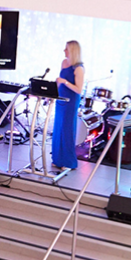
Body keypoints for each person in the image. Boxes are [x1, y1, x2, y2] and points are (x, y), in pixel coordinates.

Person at [52, 40, 85, 171]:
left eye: (66, 49)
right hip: (60, 98)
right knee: (58, 128)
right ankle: (58, 159)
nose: (64, 51)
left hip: (71, 101)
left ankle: (69, 161)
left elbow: (78, 89)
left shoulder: (79, 68)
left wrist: (65, 82)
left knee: (67, 129)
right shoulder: (64, 63)